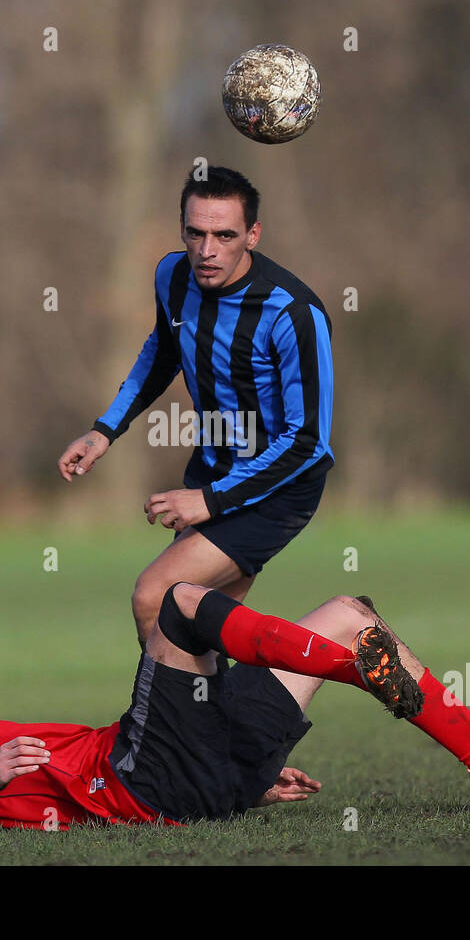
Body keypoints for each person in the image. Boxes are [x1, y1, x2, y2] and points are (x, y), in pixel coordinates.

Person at [0, 587, 470, 834]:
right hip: (142, 776)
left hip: (194, 776)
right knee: (179, 607)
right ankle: (358, 673)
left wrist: (244, 786)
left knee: (351, 614)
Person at [58, 167, 335, 649]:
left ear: (253, 235)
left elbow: (308, 442)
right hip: (212, 469)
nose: (207, 250)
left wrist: (209, 501)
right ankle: (229, 716)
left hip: (277, 488)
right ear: (181, 228)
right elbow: (164, 352)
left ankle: (162, 725)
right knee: (200, 630)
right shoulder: (171, 275)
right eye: (196, 233)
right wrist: (104, 430)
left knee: (157, 597)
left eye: (225, 235)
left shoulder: (292, 312)